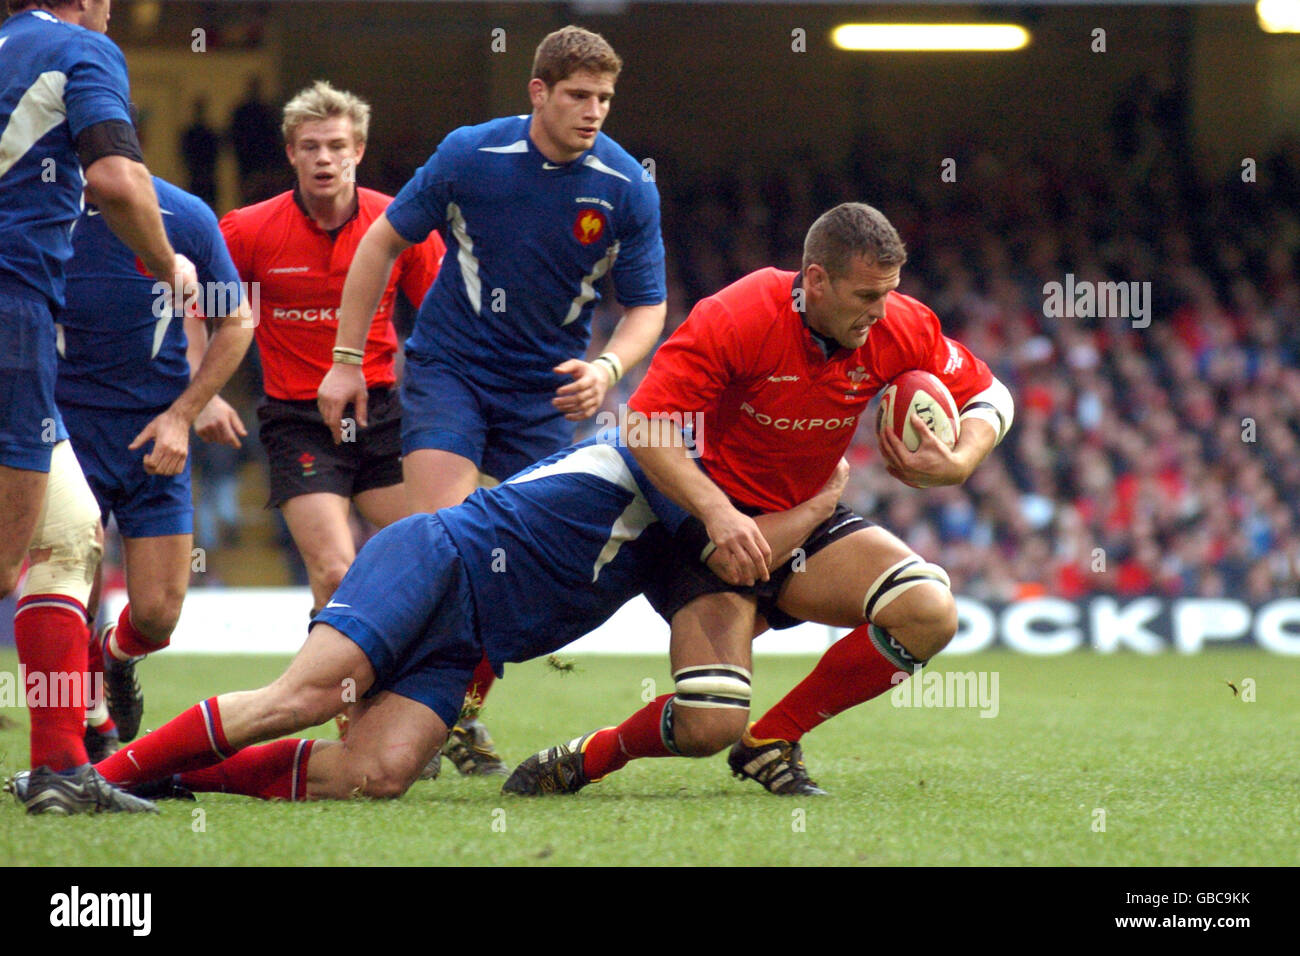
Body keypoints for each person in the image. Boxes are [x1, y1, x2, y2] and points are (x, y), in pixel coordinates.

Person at [5, 435, 845, 805]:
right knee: (299, 698)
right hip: (437, 559)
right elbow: (745, 553)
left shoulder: (691, 509)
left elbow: (738, 583)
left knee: (375, 775)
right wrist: (828, 497)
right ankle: (86, 781)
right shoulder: (673, 457)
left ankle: (164, 775)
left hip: (468, 635)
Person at [503, 202, 1016, 797]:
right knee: (708, 723)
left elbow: (990, 394)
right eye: (866, 295)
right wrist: (717, 514)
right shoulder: (738, 314)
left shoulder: (898, 323)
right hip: (712, 531)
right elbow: (642, 424)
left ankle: (771, 740)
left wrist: (960, 461)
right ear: (817, 281)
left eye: (889, 293)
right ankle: (594, 754)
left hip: (806, 521)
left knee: (929, 611)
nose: (880, 313)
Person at [318, 25, 666, 773]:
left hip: (549, 398)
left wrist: (606, 369)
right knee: (446, 540)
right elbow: (380, 242)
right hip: (453, 372)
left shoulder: (627, 186)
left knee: (523, 566)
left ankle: (460, 711)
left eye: (604, 97)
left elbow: (647, 308)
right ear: (538, 91)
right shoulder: (469, 154)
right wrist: (347, 360)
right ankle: (391, 701)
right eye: (578, 94)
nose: (594, 110)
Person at [0, 0, 193, 814]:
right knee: (8, 554)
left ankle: (58, 771)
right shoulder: (78, 48)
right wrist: (164, 260)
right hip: (10, 318)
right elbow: (115, 178)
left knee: (67, 532)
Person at [56, 175, 254, 758]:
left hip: (155, 434)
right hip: (65, 432)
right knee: (71, 589)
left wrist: (185, 412)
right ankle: (80, 736)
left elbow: (236, 320)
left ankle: (115, 659)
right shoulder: (36, 210)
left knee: (159, 614)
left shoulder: (185, 216)